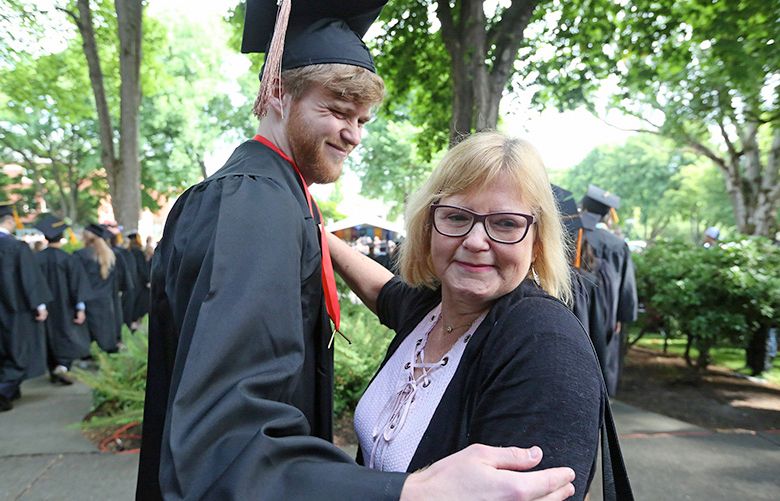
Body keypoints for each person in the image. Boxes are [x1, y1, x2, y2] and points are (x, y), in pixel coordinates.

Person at [136, 1, 576, 500]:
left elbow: (390, 293)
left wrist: (316, 234)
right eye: (338, 111)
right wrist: (408, 494)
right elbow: (227, 438)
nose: (354, 135)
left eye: (362, 119)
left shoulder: (278, 197)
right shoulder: (255, 204)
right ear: (277, 92)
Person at [327, 132, 603, 499]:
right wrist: (316, 231)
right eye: (457, 217)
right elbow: (384, 291)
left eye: (505, 223)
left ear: (536, 239)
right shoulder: (432, 308)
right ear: (429, 227)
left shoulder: (545, 348)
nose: (475, 241)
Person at [580, 185, 638, 396]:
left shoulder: (567, 233)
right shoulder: (616, 244)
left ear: (583, 205)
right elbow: (626, 286)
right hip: (605, 315)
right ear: (607, 214)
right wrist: (622, 316)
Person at [0, 201, 51, 411]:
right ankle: (3, 391)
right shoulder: (16, 247)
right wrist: (39, 305)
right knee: (19, 352)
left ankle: (10, 391)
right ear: (9, 221)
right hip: (14, 311)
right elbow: (29, 279)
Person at [34, 215, 92, 385]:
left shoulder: (36, 259)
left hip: (45, 307)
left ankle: (53, 369)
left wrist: (38, 305)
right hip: (66, 306)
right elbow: (77, 285)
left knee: (49, 337)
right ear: (62, 237)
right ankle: (63, 366)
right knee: (66, 336)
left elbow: (32, 284)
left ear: (45, 237)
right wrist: (80, 307)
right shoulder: (69, 259)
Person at [75, 224, 120, 353]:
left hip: (88, 300)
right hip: (106, 300)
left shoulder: (80, 255)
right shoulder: (110, 255)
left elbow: (77, 281)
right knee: (105, 332)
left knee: (91, 335)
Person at [126, 232, 150, 330]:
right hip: (139, 281)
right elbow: (142, 268)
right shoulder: (138, 252)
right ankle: (135, 320)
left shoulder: (128, 251)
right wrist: (147, 280)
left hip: (130, 279)